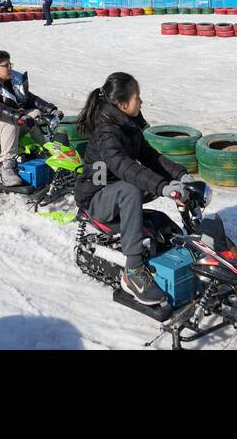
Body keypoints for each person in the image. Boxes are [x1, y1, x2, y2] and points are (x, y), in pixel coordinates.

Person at [73, 72, 195, 306]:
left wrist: (181, 176)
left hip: (116, 192)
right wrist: (162, 187)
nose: (141, 102)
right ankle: (133, 271)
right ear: (122, 104)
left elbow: (150, 157)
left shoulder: (128, 126)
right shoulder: (107, 133)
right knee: (132, 187)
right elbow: (124, 166)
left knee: (163, 222)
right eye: (137, 98)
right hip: (97, 198)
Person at [0, 50, 59, 187]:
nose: (10, 68)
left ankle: (46, 152)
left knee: (35, 113)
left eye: (10, 64)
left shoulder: (10, 82)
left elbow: (30, 99)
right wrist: (18, 117)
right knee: (9, 122)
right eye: (6, 65)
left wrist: (51, 109)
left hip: (10, 123)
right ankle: (7, 167)